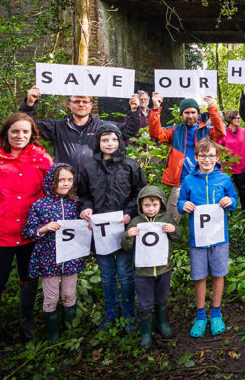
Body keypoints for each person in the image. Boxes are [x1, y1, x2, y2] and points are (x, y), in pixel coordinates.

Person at [0, 113, 53, 352]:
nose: (20, 136)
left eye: (25, 132)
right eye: (15, 131)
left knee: (29, 279)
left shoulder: (42, 159)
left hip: (31, 233)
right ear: (5, 133)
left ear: (32, 135)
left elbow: (52, 195)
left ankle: (27, 326)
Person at [78, 123, 146, 332]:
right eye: (105, 139)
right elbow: (84, 195)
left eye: (114, 139)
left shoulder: (131, 166)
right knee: (107, 274)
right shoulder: (89, 168)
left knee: (125, 273)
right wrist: (86, 208)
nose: (110, 143)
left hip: (124, 229)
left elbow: (140, 194)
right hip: (100, 231)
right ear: (98, 142)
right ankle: (110, 312)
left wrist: (131, 212)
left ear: (119, 141)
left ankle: (127, 313)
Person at [178, 138, 238, 338]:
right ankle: (200, 315)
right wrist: (182, 206)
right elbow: (181, 200)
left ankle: (216, 312)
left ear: (217, 158)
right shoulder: (188, 180)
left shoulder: (224, 179)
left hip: (220, 237)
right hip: (198, 239)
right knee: (200, 275)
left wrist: (231, 201)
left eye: (211, 155)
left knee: (218, 273)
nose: (207, 159)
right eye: (203, 156)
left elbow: (234, 200)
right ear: (196, 157)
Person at [22, 163, 85, 342]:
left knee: (69, 294)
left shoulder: (76, 204)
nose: (66, 184)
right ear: (52, 181)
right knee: (51, 297)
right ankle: (53, 335)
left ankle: (70, 331)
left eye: (70, 180)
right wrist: (44, 228)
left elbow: (82, 230)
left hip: (71, 257)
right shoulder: (40, 205)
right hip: (48, 257)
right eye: (61, 180)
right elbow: (28, 231)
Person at [19, 86, 140, 172]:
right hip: (65, 185)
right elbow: (28, 127)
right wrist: (29, 104)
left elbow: (128, 130)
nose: (81, 104)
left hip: (94, 184)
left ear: (91, 105)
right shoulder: (57, 127)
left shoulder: (102, 127)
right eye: (77, 101)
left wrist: (134, 111)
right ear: (69, 105)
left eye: (84, 101)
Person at [149, 93, 225, 224]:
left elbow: (220, 132)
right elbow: (156, 133)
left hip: (203, 179)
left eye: (193, 112)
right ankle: (168, 242)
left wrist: (212, 107)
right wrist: (156, 108)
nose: (190, 115)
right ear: (182, 114)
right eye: (186, 112)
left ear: (198, 113)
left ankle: (204, 243)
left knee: (206, 217)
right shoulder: (175, 131)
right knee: (171, 218)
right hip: (181, 181)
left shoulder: (206, 131)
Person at [122, 185, 182, 348]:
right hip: (143, 271)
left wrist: (173, 229)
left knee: (162, 298)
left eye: (154, 205)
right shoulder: (136, 221)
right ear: (140, 205)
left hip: (164, 269)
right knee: (144, 303)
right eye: (146, 205)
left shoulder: (167, 218)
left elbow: (178, 237)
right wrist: (128, 235)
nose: (151, 209)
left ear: (161, 204)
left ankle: (161, 324)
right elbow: (126, 246)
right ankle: (146, 333)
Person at [217, 110, 245, 211]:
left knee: (244, 192)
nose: (239, 120)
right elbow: (219, 150)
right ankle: (228, 213)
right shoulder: (223, 133)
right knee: (227, 192)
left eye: (239, 118)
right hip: (227, 169)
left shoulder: (243, 132)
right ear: (230, 119)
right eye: (237, 118)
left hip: (241, 167)